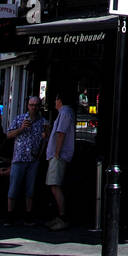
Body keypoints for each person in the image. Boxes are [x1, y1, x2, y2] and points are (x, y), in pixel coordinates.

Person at [4, 96, 48, 226]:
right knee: (14, 187)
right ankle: (10, 215)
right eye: (31, 105)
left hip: (33, 159)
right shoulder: (19, 119)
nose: (33, 107)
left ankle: (28, 216)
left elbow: (45, 140)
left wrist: (40, 154)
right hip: (19, 157)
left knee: (30, 188)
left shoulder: (43, 122)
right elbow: (9, 135)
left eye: (36, 105)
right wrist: (21, 128)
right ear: (27, 106)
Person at [45, 89, 75, 230]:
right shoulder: (65, 113)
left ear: (59, 100)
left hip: (59, 155)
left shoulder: (64, 113)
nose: (54, 103)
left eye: (56, 100)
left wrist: (56, 153)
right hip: (57, 155)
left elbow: (61, 133)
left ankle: (62, 217)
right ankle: (58, 216)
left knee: (55, 185)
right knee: (54, 185)